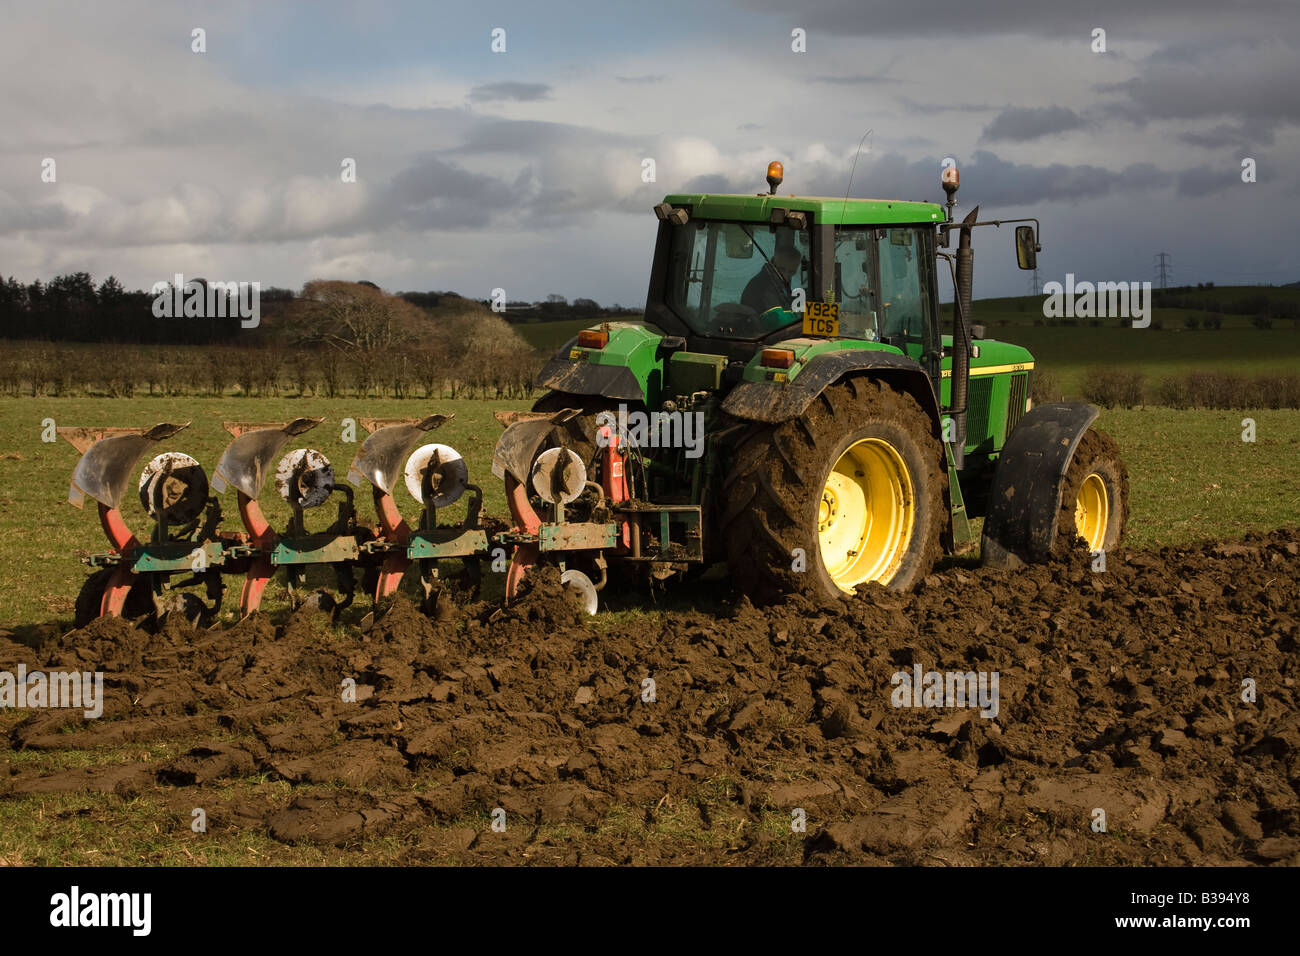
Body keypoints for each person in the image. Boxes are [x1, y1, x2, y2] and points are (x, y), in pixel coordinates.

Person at [741, 245, 802, 314]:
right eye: (781, 269)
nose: (785, 276)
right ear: (772, 262)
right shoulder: (763, 286)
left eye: (791, 272)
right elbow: (778, 318)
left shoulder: (780, 283)